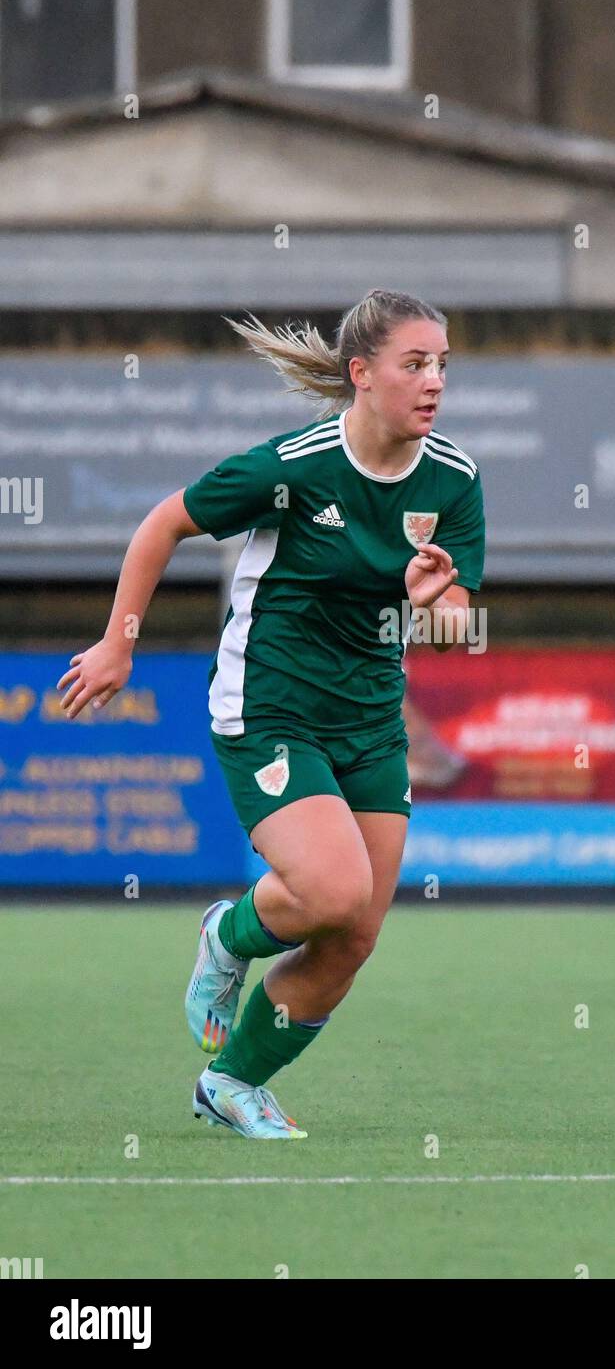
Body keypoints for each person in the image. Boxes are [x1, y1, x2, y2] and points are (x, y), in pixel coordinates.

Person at [57, 288, 485, 1140]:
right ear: (361, 374)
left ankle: (231, 1083)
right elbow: (163, 524)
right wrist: (117, 643)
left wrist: (435, 603)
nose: (434, 380)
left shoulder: (454, 481)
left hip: (369, 724)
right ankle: (230, 933)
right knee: (330, 889)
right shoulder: (295, 465)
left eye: (441, 364)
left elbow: (455, 626)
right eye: (415, 363)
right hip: (269, 707)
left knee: (352, 936)